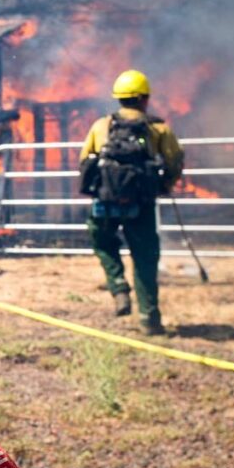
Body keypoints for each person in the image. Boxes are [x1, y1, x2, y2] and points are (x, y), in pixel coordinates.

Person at [78, 69, 185, 335]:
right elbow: (174, 161)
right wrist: (164, 185)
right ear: (144, 99)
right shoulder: (157, 129)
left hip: (105, 203)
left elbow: (84, 161)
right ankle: (149, 319)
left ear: (119, 99)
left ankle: (118, 286)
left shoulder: (101, 126)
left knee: (102, 242)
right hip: (141, 205)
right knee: (145, 259)